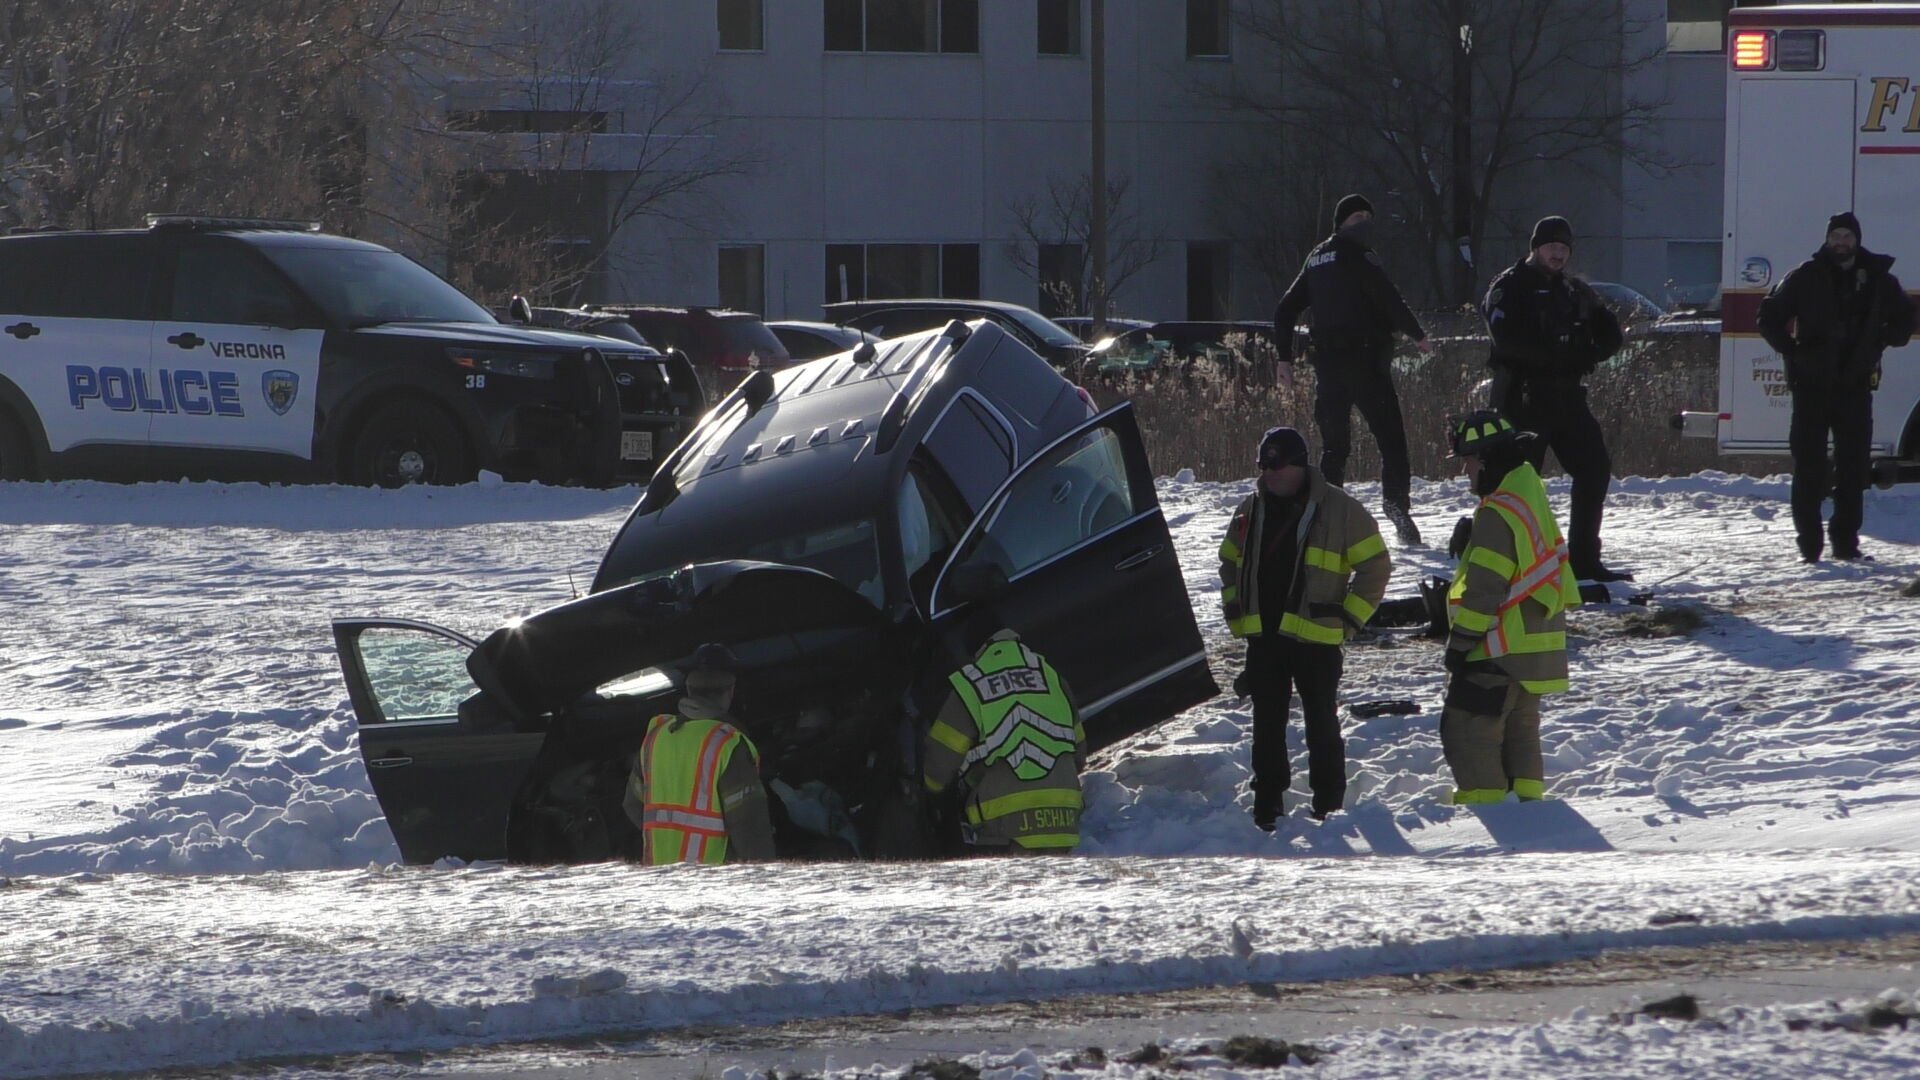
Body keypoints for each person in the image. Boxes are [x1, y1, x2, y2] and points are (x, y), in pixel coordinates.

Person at [1219, 425, 1392, 828]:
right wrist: (1236, 613)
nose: (1270, 474)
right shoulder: (1248, 509)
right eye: (1264, 467)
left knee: (1322, 725)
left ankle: (1329, 805)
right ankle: (1267, 804)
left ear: (1301, 465)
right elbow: (1228, 562)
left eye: (1278, 467)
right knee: (1266, 727)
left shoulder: (1340, 509)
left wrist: (1349, 618)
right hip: (1264, 639)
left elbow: (1376, 566)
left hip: (1317, 640)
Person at [1272, 193, 1434, 546]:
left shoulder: (1316, 258)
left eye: (1367, 216)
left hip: (1328, 367)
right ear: (1341, 223)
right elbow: (1388, 297)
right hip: (1363, 365)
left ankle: (1326, 519)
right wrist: (1417, 334)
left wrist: (1283, 358)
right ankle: (1396, 508)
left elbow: (1285, 310)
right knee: (1390, 439)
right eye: (1356, 216)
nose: (1364, 222)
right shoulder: (1359, 256)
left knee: (1335, 447)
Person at [1440, 410, 1581, 805]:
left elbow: (1485, 590)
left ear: (1485, 459)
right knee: (1520, 733)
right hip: (1532, 651)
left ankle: (1485, 812)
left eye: (1467, 462)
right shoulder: (1526, 495)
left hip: (1499, 649)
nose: (1464, 472)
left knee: (1468, 730)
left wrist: (1460, 643)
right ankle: (1529, 810)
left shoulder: (1497, 514)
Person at [1757, 211, 1915, 562]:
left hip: (1855, 386)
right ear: (1827, 240)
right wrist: (1793, 352)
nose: (1841, 243)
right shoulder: (1805, 276)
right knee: (1809, 468)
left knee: (1853, 468)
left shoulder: (1877, 279)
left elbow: (1906, 318)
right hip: (1811, 386)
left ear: (1856, 240)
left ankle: (1846, 545)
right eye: (1836, 237)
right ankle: (1809, 548)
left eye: (1847, 237)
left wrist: (1881, 340)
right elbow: (1768, 316)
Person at [1482, 215, 1628, 583]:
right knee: (1516, 482)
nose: (1558, 254)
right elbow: (1509, 341)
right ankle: (1510, 562)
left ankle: (1584, 560)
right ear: (1536, 247)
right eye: (1552, 247)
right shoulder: (1509, 287)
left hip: (1566, 397)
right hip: (1523, 398)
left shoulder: (1573, 291)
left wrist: (1591, 353)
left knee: (1594, 469)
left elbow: (1610, 331)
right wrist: (1558, 356)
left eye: (1564, 248)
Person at [921, 625, 1085, 853]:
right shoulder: (1050, 675)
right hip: (1063, 822)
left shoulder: (971, 685)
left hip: (1008, 830)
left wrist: (930, 793)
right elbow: (1079, 753)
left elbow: (937, 767)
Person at [622, 643, 776, 865]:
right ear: (731, 690)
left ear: (689, 689)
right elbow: (749, 827)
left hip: (660, 877)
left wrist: (669, 839)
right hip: (714, 883)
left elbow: (633, 805)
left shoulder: (656, 737)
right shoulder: (728, 743)